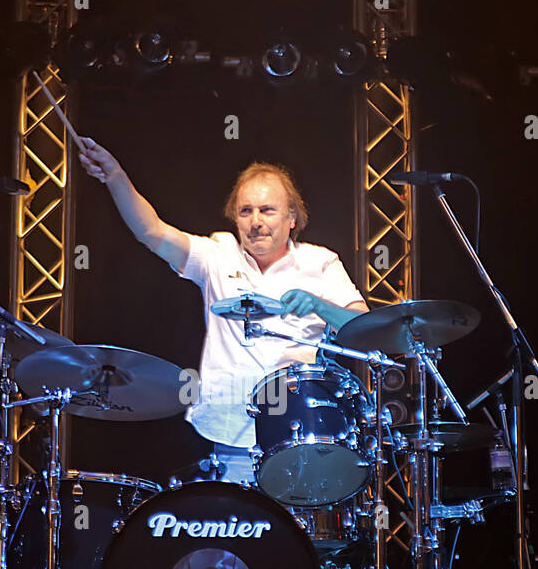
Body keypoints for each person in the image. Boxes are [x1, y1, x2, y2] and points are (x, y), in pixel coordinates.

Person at [77, 138, 369, 483]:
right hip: (226, 435)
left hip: (298, 435)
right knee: (236, 530)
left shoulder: (319, 261)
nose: (256, 221)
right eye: (246, 211)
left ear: (292, 217)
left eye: (267, 210)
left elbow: (365, 327)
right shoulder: (217, 255)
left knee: (292, 534)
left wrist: (322, 306)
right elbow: (151, 231)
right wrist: (114, 175)